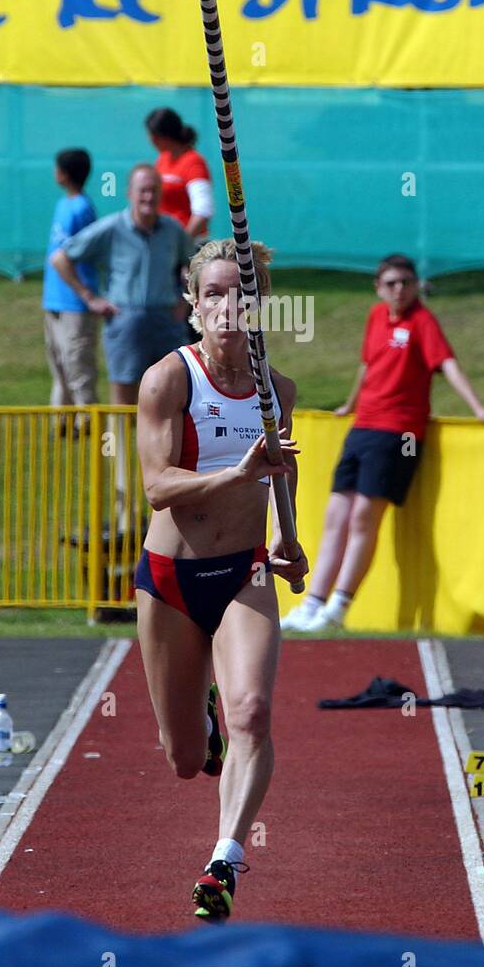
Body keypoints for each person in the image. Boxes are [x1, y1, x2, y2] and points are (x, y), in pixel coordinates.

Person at [135, 238, 308, 921]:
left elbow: (280, 470)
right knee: (183, 759)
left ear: (260, 304)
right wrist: (236, 473)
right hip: (171, 578)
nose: (226, 307)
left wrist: (289, 539)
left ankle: (224, 861)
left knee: (255, 715)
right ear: (192, 304)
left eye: (240, 294)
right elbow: (156, 486)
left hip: (244, 571)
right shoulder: (168, 380)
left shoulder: (277, 391)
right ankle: (199, 724)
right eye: (212, 294)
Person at [282, 254, 484, 633]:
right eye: (391, 283)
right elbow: (367, 366)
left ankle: (338, 606)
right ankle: (312, 603)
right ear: (379, 288)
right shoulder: (375, 317)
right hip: (363, 426)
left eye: (406, 282)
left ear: (416, 285)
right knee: (336, 516)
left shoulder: (422, 321)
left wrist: (479, 406)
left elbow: (447, 363)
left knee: (363, 517)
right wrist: (350, 405)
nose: (399, 289)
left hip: (397, 432)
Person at [49, 164, 193, 406]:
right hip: (125, 319)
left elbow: (191, 264)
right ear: (130, 193)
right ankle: (119, 445)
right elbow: (60, 258)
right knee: (124, 395)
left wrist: (186, 299)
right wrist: (89, 297)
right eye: (143, 190)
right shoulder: (111, 228)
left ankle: (167, 443)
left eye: (154, 190)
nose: (148, 196)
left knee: (174, 389)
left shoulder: (172, 229)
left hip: (166, 319)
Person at [42, 149, 99, 431]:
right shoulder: (63, 204)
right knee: (60, 364)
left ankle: (87, 420)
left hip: (75, 302)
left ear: (65, 173)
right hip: (54, 299)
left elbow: (88, 253)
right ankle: (61, 421)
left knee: (79, 364)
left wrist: (85, 293)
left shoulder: (82, 209)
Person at [146, 106, 214, 244]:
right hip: (165, 242)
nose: (150, 139)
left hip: (191, 245)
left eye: (154, 135)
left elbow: (203, 212)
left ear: (165, 135)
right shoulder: (162, 159)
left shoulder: (194, 162)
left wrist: (181, 244)